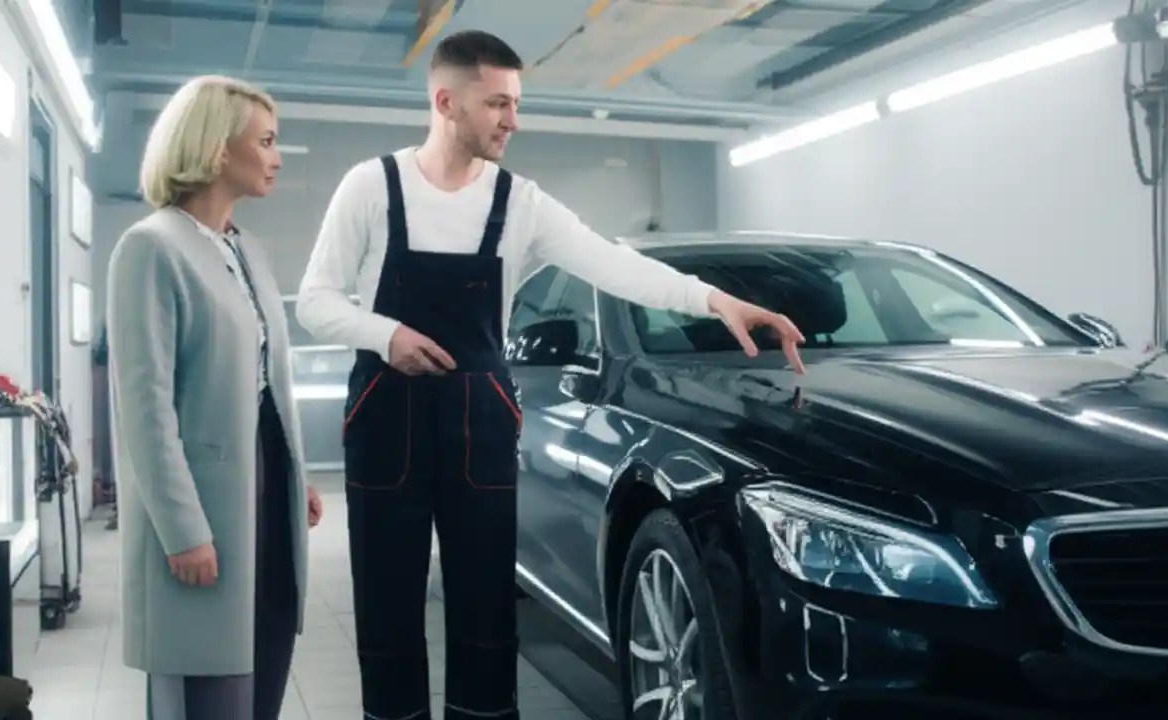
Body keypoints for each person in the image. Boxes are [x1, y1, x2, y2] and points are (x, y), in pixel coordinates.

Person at [296, 30, 805, 720]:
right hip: (387, 424)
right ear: (446, 101)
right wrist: (386, 336)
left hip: (480, 425)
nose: (513, 120)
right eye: (498, 104)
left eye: (516, 103)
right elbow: (317, 301)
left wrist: (716, 301)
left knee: (484, 611)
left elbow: (615, 264)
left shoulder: (521, 203)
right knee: (386, 607)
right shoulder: (371, 187)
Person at [107, 75, 324, 720]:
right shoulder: (151, 248)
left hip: (263, 485)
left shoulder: (245, 249)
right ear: (213, 148)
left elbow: (265, 383)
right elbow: (145, 409)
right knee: (207, 689)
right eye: (265, 141)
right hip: (202, 503)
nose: (277, 156)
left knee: (266, 659)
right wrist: (181, 531)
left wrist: (294, 477)